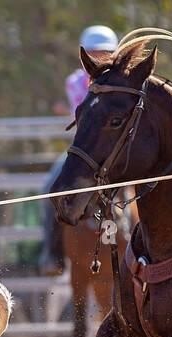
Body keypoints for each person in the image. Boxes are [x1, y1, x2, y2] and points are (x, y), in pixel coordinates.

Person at [41, 25, 120, 277]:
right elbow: (86, 108)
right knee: (49, 187)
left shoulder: (122, 78)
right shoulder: (76, 80)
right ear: (85, 55)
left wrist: (66, 110)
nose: (99, 58)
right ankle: (52, 253)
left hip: (114, 148)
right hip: (84, 147)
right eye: (94, 53)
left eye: (105, 53)